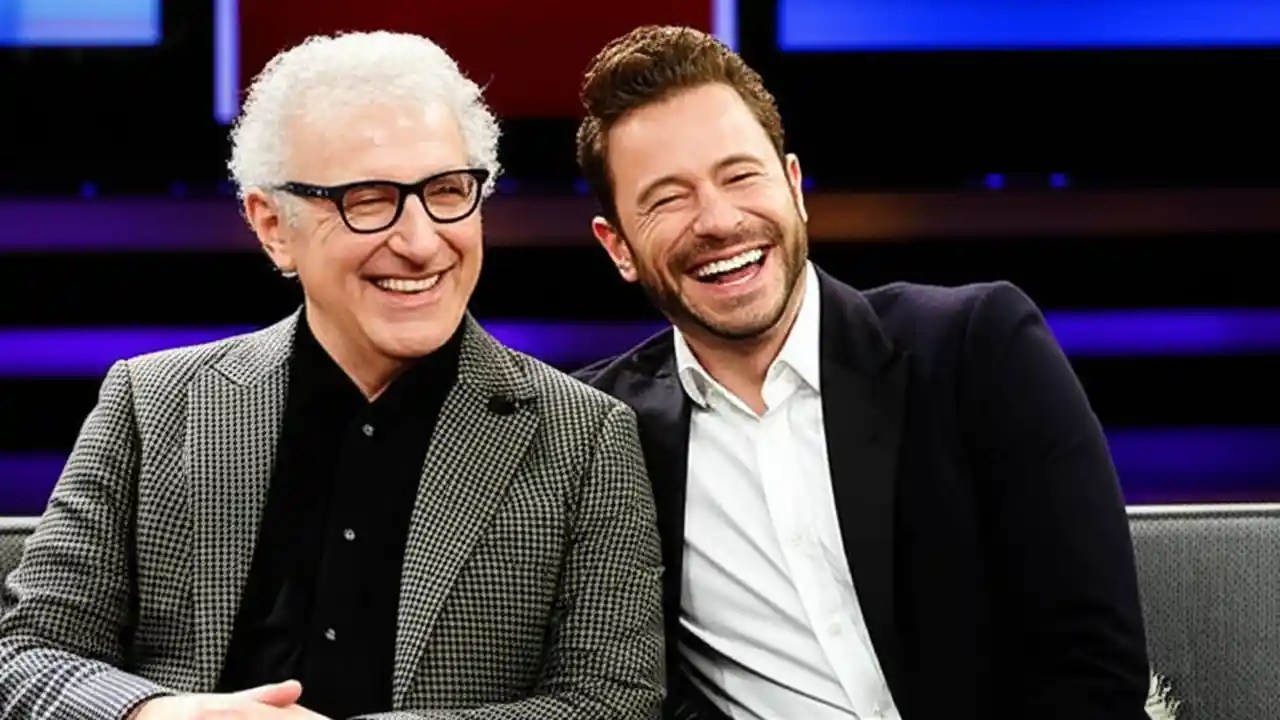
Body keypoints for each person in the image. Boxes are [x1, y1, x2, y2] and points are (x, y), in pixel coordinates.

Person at [0, 31, 663, 720]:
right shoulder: (153, 403)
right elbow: (27, 660)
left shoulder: (585, 439)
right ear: (271, 226)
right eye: (368, 200)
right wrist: (162, 713)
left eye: (446, 191)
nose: (419, 241)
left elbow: (614, 701)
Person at [572, 25, 1151, 720]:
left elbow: (1094, 669)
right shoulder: (601, 436)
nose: (718, 220)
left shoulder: (978, 350)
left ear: (793, 186)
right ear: (619, 249)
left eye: (740, 175)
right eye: (668, 199)